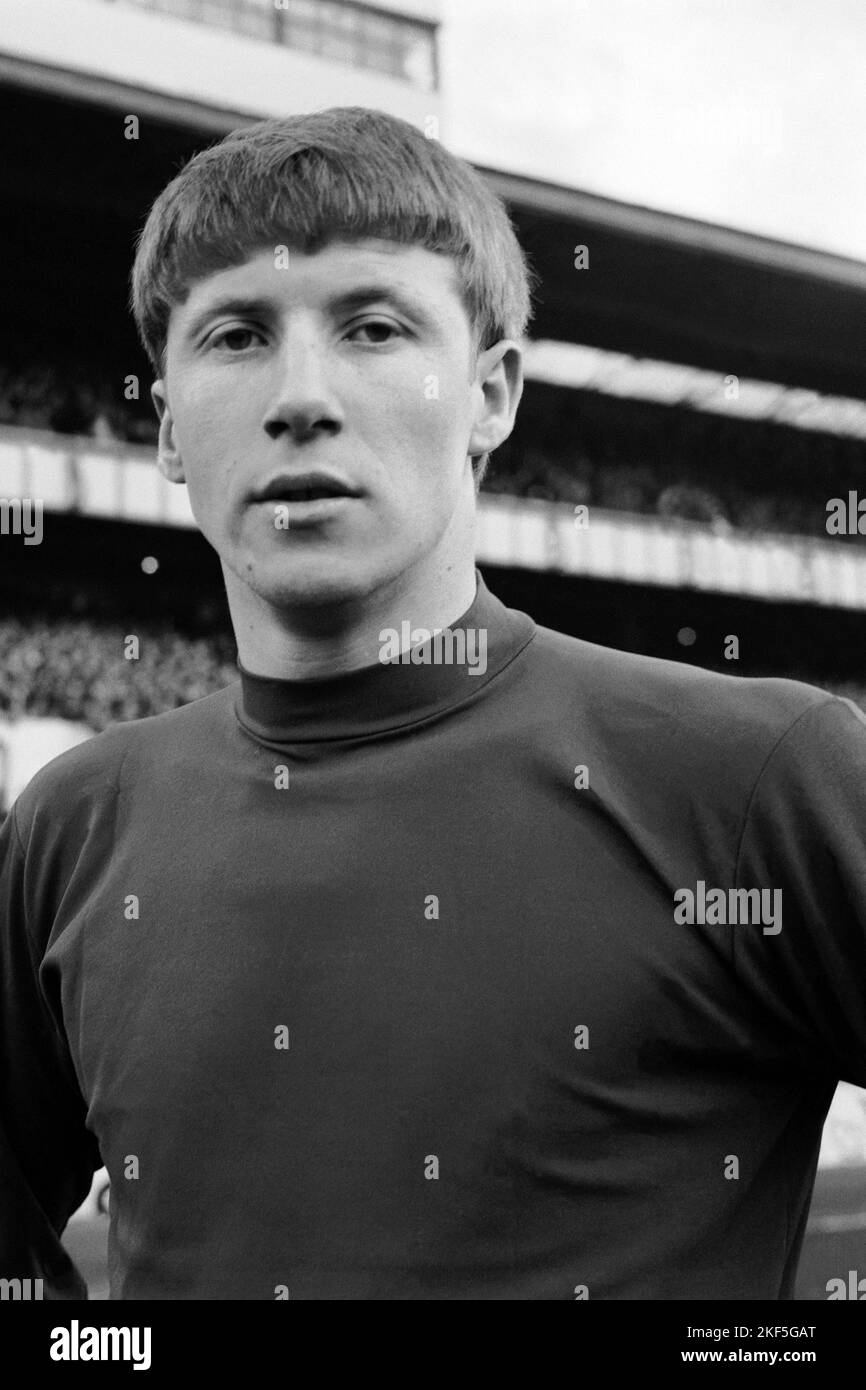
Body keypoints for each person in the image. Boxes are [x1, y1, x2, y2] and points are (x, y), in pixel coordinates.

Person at [1, 106, 865, 1302]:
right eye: (237, 336)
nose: (299, 396)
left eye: (371, 326)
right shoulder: (71, 825)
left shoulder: (758, 775)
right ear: (166, 432)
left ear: (489, 395)